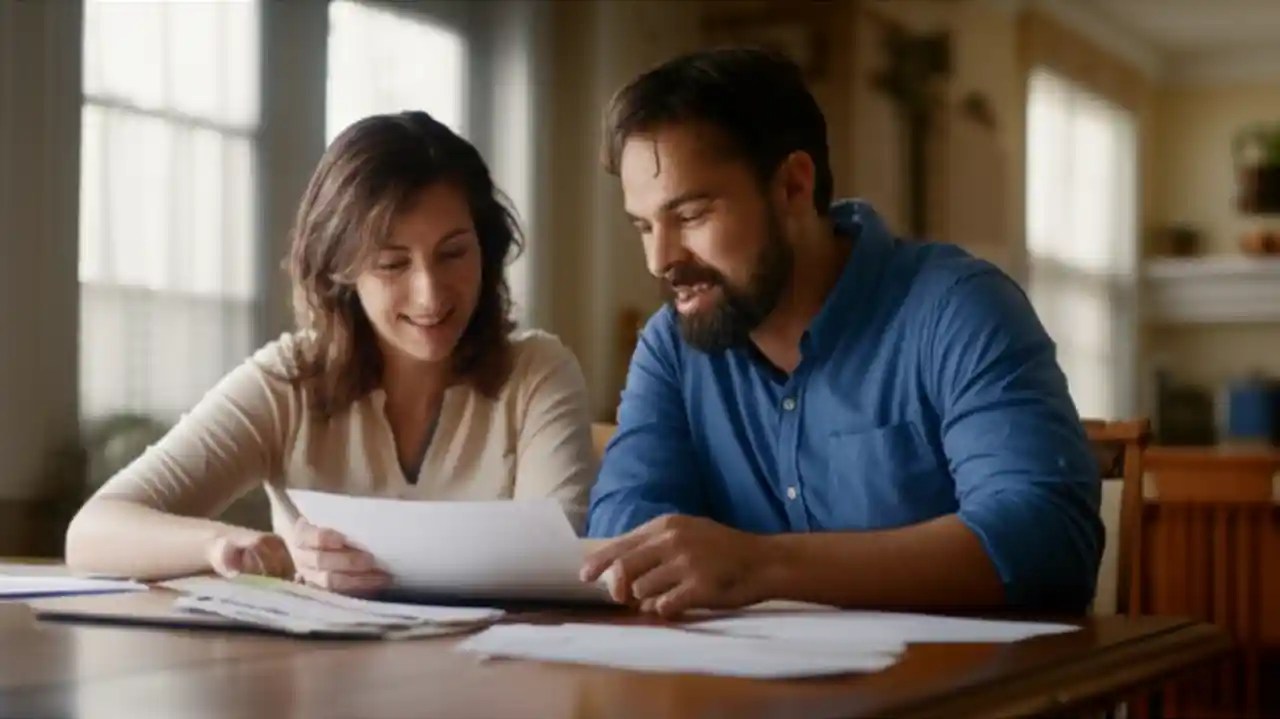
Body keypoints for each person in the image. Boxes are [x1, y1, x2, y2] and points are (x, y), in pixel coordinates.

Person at [581, 48, 1102, 618]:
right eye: (644, 226)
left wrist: (759, 566)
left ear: (793, 188)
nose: (660, 259)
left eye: (691, 216)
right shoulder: (672, 347)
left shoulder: (958, 308)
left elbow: (1048, 542)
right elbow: (622, 538)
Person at [67, 111, 596, 594]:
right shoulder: (289, 381)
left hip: (497, 683)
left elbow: (549, 565)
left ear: (487, 248)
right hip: (325, 681)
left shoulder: (537, 374)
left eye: (453, 253)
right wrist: (225, 546)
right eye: (393, 264)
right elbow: (93, 532)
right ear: (341, 272)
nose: (430, 294)